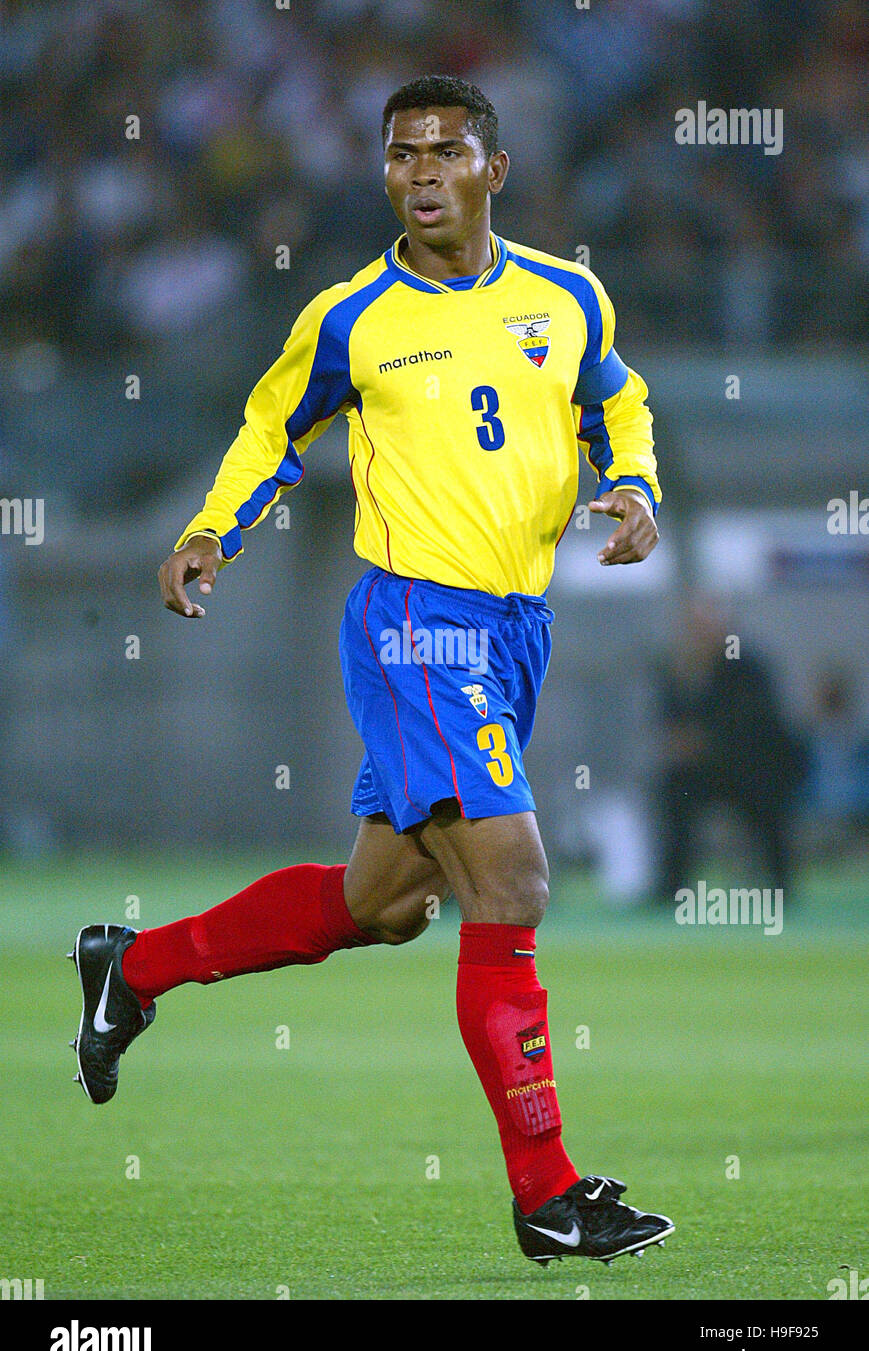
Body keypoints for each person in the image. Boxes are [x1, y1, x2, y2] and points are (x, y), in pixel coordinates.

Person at [68, 75, 672, 1268]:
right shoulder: (353, 317)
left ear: (494, 170)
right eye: (403, 154)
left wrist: (637, 488)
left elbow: (620, 403)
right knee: (511, 885)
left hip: (513, 629)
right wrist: (208, 532)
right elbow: (270, 429)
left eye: (449, 151)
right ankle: (546, 1195)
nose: (424, 171)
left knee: (384, 903)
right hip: (415, 624)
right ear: (385, 173)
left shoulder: (567, 298)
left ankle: (128, 969)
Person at [652, 598, 805, 900]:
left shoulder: (749, 668)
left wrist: (705, 739)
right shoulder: (680, 671)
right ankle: (672, 887)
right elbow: (670, 723)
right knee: (674, 789)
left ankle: (781, 885)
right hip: (706, 772)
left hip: (754, 768)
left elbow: (758, 724)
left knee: (767, 796)